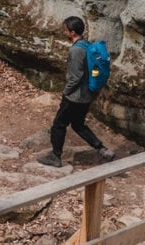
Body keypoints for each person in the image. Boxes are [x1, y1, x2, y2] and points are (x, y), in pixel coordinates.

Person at [40, 16, 115, 167]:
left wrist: (65, 92)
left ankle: (55, 156)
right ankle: (102, 149)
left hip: (75, 96)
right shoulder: (87, 45)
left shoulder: (76, 50)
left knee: (59, 124)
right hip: (88, 94)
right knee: (78, 124)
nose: (64, 32)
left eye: (65, 30)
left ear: (72, 32)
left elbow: (75, 78)